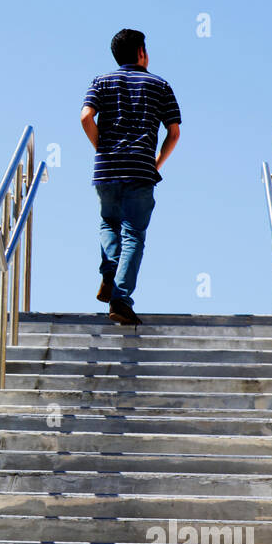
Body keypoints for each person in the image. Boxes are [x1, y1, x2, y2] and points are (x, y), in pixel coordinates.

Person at [80, 28, 181, 325]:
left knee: (108, 222)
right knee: (133, 234)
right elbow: (174, 133)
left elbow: (86, 116)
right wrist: (156, 164)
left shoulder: (101, 81)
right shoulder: (160, 85)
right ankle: (121, 299)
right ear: (141, 52)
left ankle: (110, 271)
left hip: (106, 168)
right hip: (139, 169)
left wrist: (101, 147)